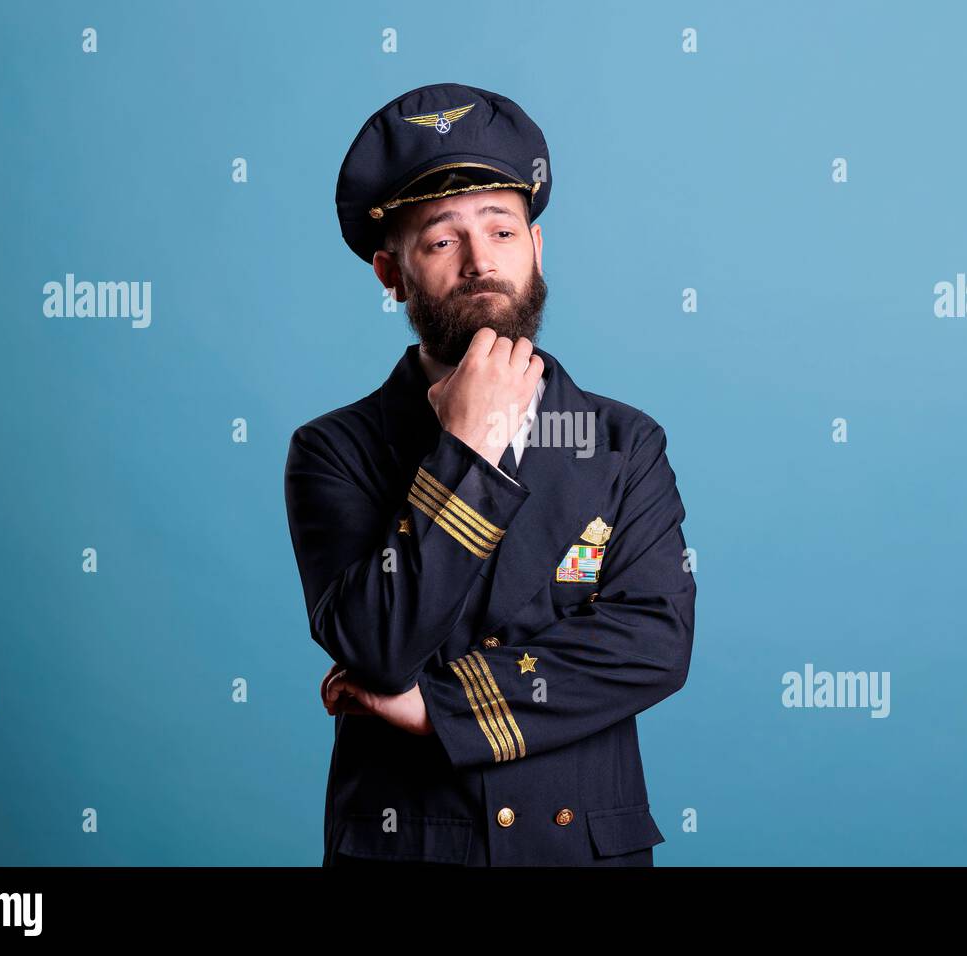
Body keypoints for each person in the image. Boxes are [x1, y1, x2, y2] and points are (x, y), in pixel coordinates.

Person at [283, 82, 695, 866]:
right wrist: (467, 451)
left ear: (537, 250)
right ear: (390, 274)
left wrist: (437, 706)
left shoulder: (624, 443)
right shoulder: (333, 451)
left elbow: (653, 643)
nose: (480, 262)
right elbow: (377, 645)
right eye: (441, 240)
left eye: (502, 230)